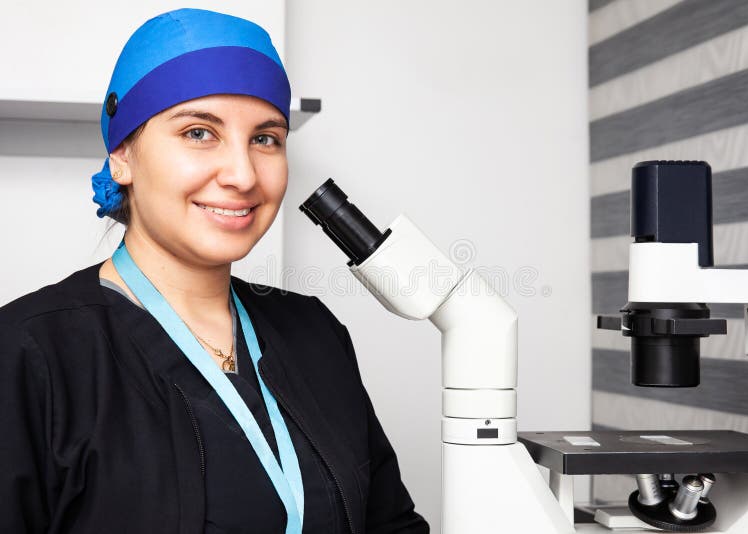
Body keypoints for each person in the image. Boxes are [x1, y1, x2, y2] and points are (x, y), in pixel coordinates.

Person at [0, 8, 428, 534]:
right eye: (200, 132)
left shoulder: (314, 334)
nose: (243, 175)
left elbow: (391, 525)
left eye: (266, 138)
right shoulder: (29, 353)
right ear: (122, 157)